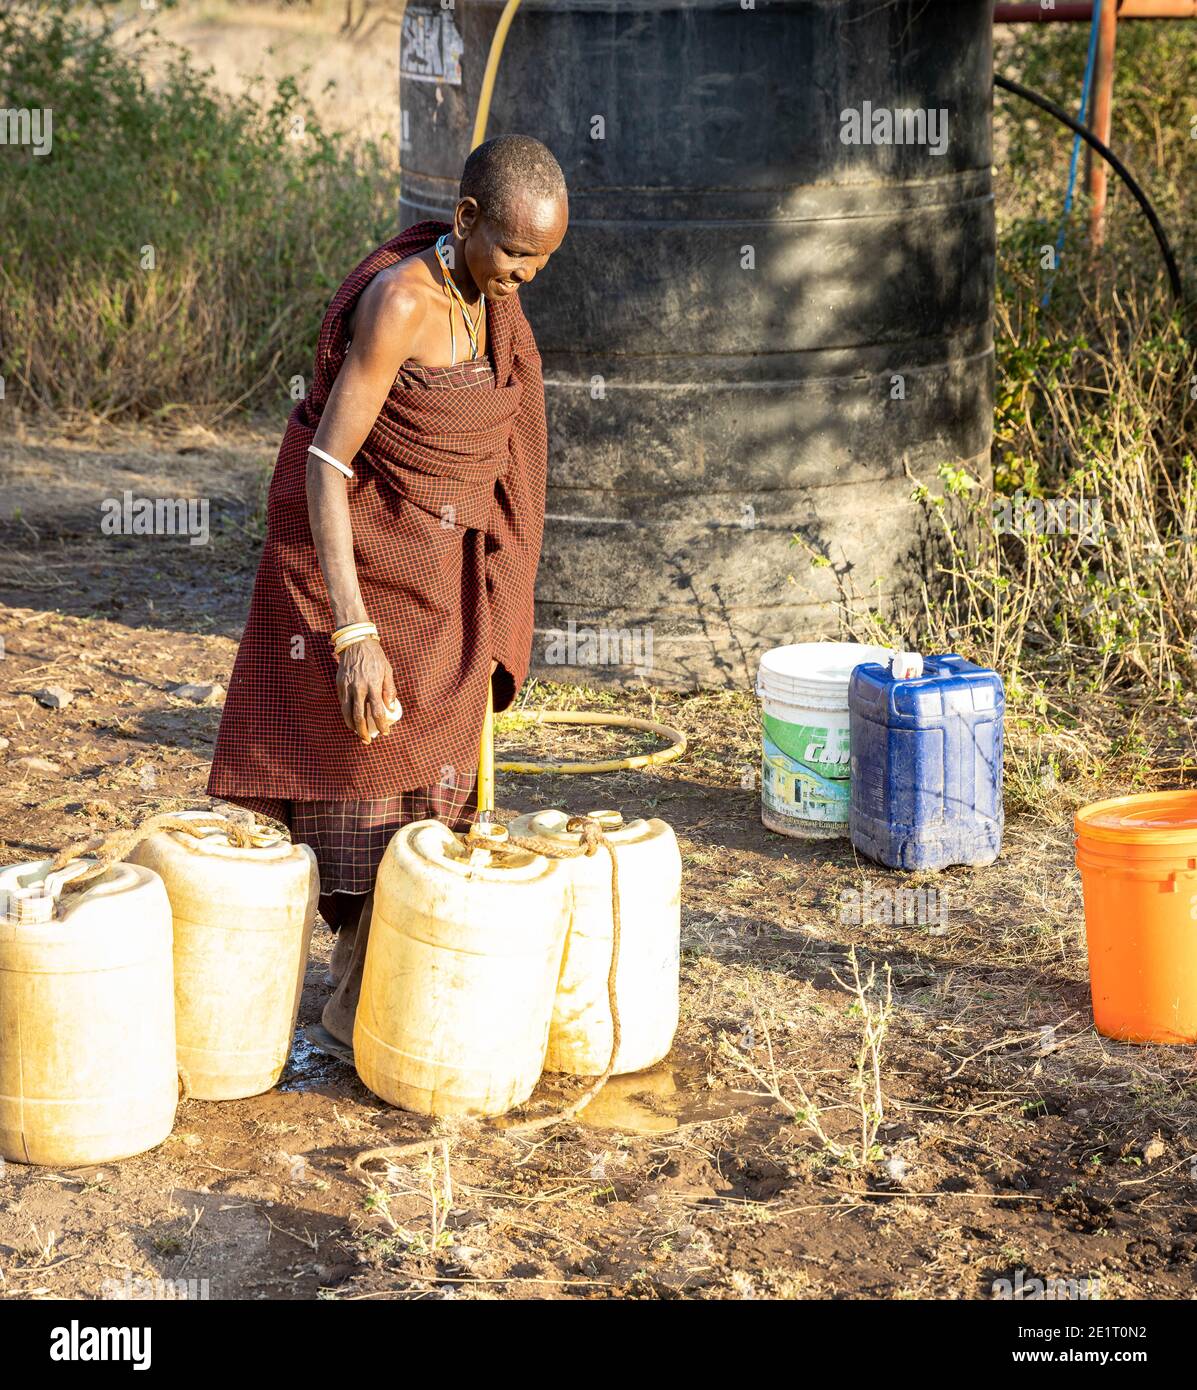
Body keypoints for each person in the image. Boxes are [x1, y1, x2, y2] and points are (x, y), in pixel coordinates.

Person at [207, 134, 569, 1046]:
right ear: (465, 218)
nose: (525, 277)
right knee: (365, 760)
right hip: (360, 560)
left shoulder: (493, 304)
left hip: (441, 569)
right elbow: (327, 465)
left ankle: (387, 992)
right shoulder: (401, 303)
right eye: (515, 254)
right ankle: (352, 998)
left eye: (543, 262)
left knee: (441, 776)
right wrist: (351, 634)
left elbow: (491, 443)